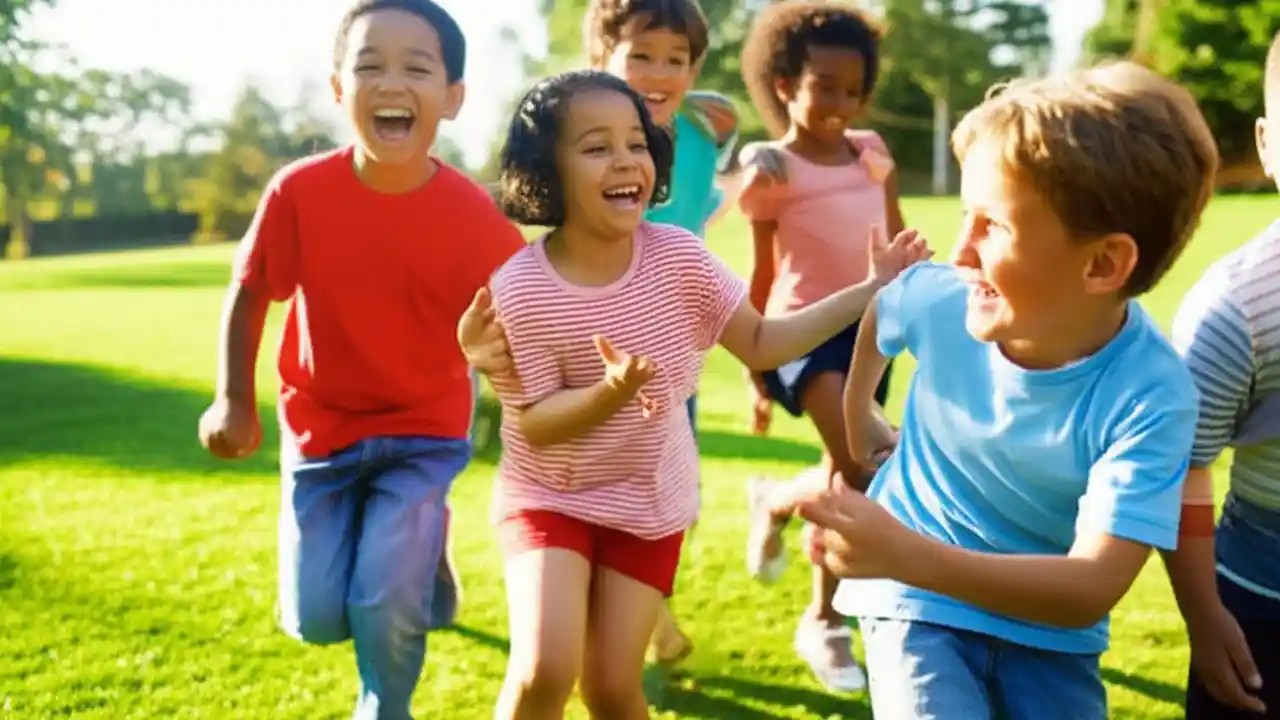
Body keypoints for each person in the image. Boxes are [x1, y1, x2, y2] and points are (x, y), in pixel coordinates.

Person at [474, 69, 930, 720]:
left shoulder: (680, 259)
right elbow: (540, 424)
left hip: (647, 501)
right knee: (544, 671)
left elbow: (766, 341)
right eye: (596, 146)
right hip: (551, 497)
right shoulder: (521, 289)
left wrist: (869, 290)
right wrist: (612, 391)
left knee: (610, 687)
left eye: (636, 142)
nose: (626, 158)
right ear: (547, 169)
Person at [796, 60, 1219, 720]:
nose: (959, 252)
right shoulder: (944, 298)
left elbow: (1089, 586)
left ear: (1103, 263)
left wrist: (909, 554)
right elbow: (888, 307)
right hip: (914, 608)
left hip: (1050, 633)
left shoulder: (1152, 393)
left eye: (992, 225)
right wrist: (859, 418)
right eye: (966, 215)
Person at [195, 2, 525, 717]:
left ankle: (385, 702)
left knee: (381, 595)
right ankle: (422, 561)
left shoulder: (473, 215)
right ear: (340, 90)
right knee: (317, 616)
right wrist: (233, 398)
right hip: (322, 430)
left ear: (453, 96)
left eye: (417, 67)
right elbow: (252, 292)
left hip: (425, 430)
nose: (391, 82)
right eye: (369, 65)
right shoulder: (299, 192)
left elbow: (530, 309)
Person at [733, 1, 905, 693]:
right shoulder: (772, 172)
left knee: (844, 470)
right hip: (802, 334)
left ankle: (777, 506)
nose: (840, 102)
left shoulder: (873, 157)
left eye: (852, 89)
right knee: (863, 466)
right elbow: (763, 272)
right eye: (823, 84)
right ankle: (828, 621)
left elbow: (895, 245)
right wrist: (755, 366)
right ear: (784, 85)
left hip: (870, 331)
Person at [1163, 28, 1280, 720]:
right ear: (1268, 146)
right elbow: (1184, 467)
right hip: (1261, 606)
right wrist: (1204, 618)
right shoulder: (1238, 306)